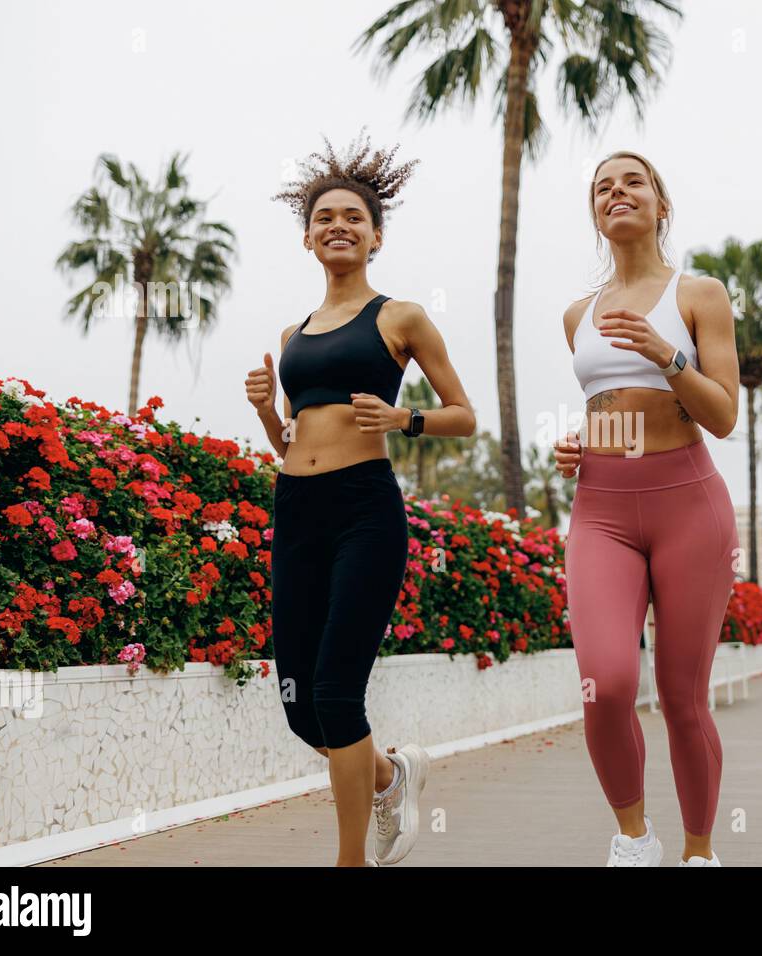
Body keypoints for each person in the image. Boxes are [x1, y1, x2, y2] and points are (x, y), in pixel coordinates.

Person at [245, 131, 476, 867]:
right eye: (324, 218)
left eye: (354, 217)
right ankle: (390, 775)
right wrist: (262, 413)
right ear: (307, 237)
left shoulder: (400, 317)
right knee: (299, 707)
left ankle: (350, 861)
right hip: (297, 508)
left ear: (375, 236)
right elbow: (291, 441)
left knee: (338, 693)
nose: (338, 225)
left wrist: (404, 417)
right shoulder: (294, 335)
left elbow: (463, 415)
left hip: (364, 511)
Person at [553, 150, 741, 866]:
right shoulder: (578, 314)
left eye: (632, 181)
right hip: (600, 506)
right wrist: (581, 445)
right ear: (596, 215)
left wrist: (669, 356)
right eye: (603, 187)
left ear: (660, 205)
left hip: (688, 504)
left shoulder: (700, 295)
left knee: (681, 694)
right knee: (607, 683)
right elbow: (607, 405)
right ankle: (635, 839)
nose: (616, 192)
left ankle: (699, 853)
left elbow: (722, 416)